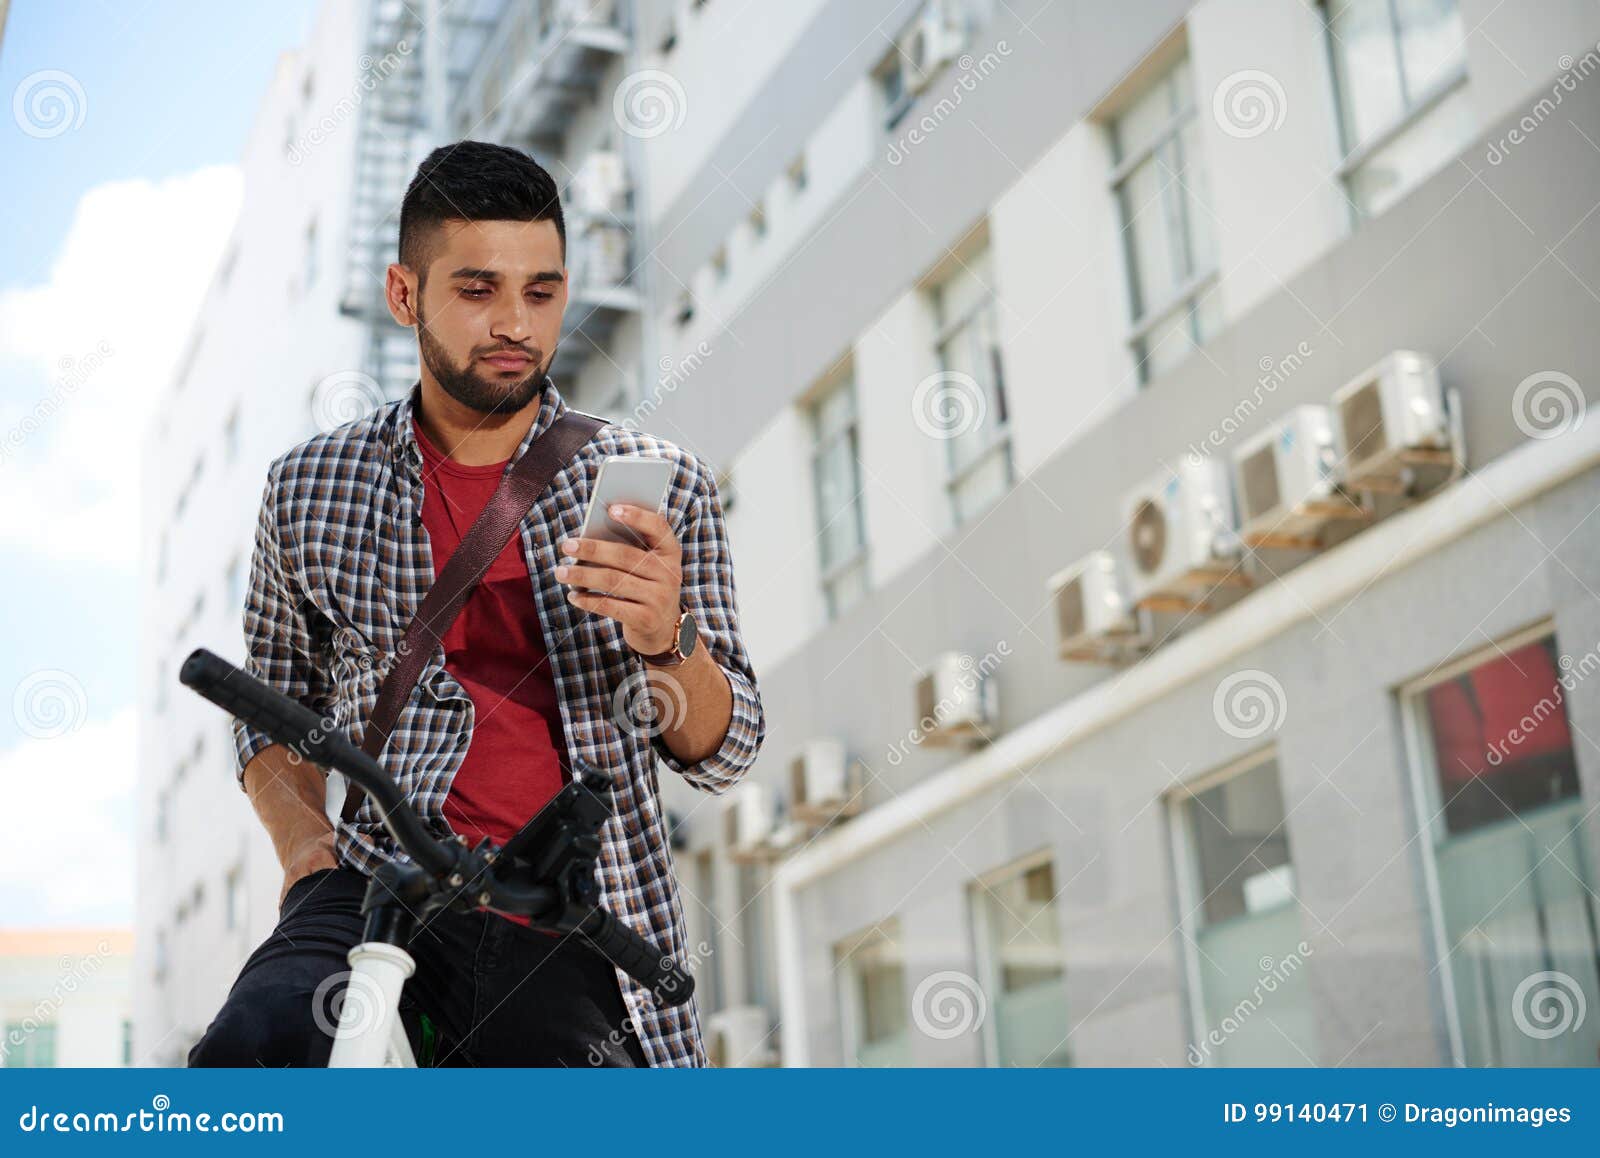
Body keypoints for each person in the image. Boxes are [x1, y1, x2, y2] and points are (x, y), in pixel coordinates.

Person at [187, 140, 765, 1067]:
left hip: (566, 905)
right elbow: (273, 712)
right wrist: (305, 859)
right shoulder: (307, 487)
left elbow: (724, 751)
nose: (514, 324)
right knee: (252, 1050)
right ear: (404, 294)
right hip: (372, 883)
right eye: (477, 289)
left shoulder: (658, 484)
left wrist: (668, 640)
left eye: (541, 292)